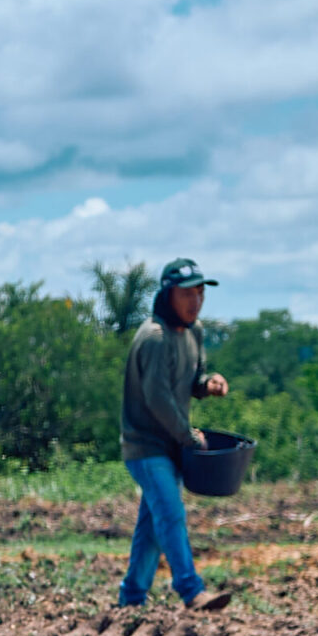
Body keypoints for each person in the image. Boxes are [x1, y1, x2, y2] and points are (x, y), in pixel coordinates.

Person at [119, 258, 232, 611]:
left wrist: (207, 384)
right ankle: (191, 590)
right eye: (187, 294)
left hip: (172, 446)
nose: (195, 301)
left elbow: (190, 380)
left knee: (153, 527)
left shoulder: (194, 333)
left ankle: (131, 599)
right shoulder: (154, 337)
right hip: (146, 446)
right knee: (170, 515)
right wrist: (188, 436)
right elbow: (158, 397)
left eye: (200, 293)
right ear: (168, 295)